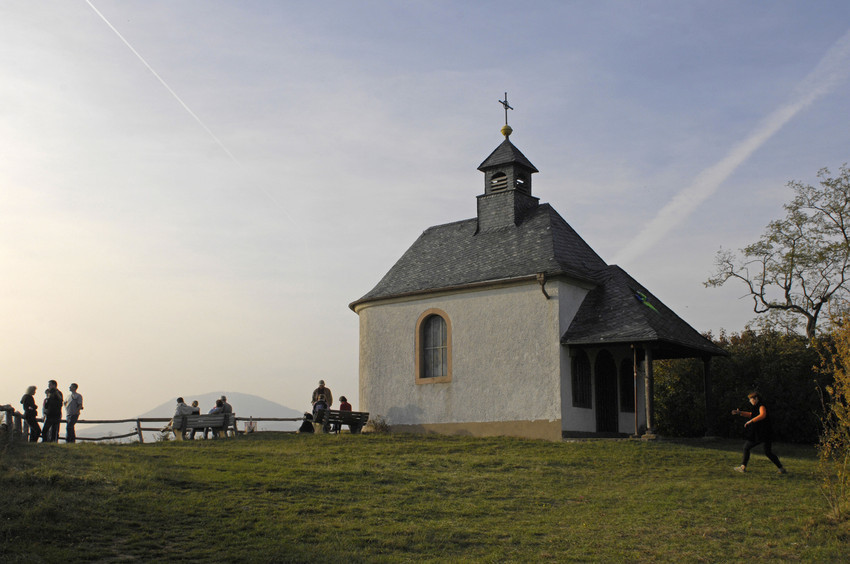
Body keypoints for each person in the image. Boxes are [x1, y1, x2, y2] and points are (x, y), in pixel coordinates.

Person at [732, 391, 787, 474]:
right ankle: (781, 469)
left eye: (751, 399)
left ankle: (742, 467)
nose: (750, 401)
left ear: (756, 399)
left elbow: (762, 415)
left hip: (762, 433)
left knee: (747, 447)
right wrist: (740, 413)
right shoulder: (756, 406)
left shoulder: (761, 406)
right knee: (767, 452)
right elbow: (751, 414)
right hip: (764, 433)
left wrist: (751, 421)